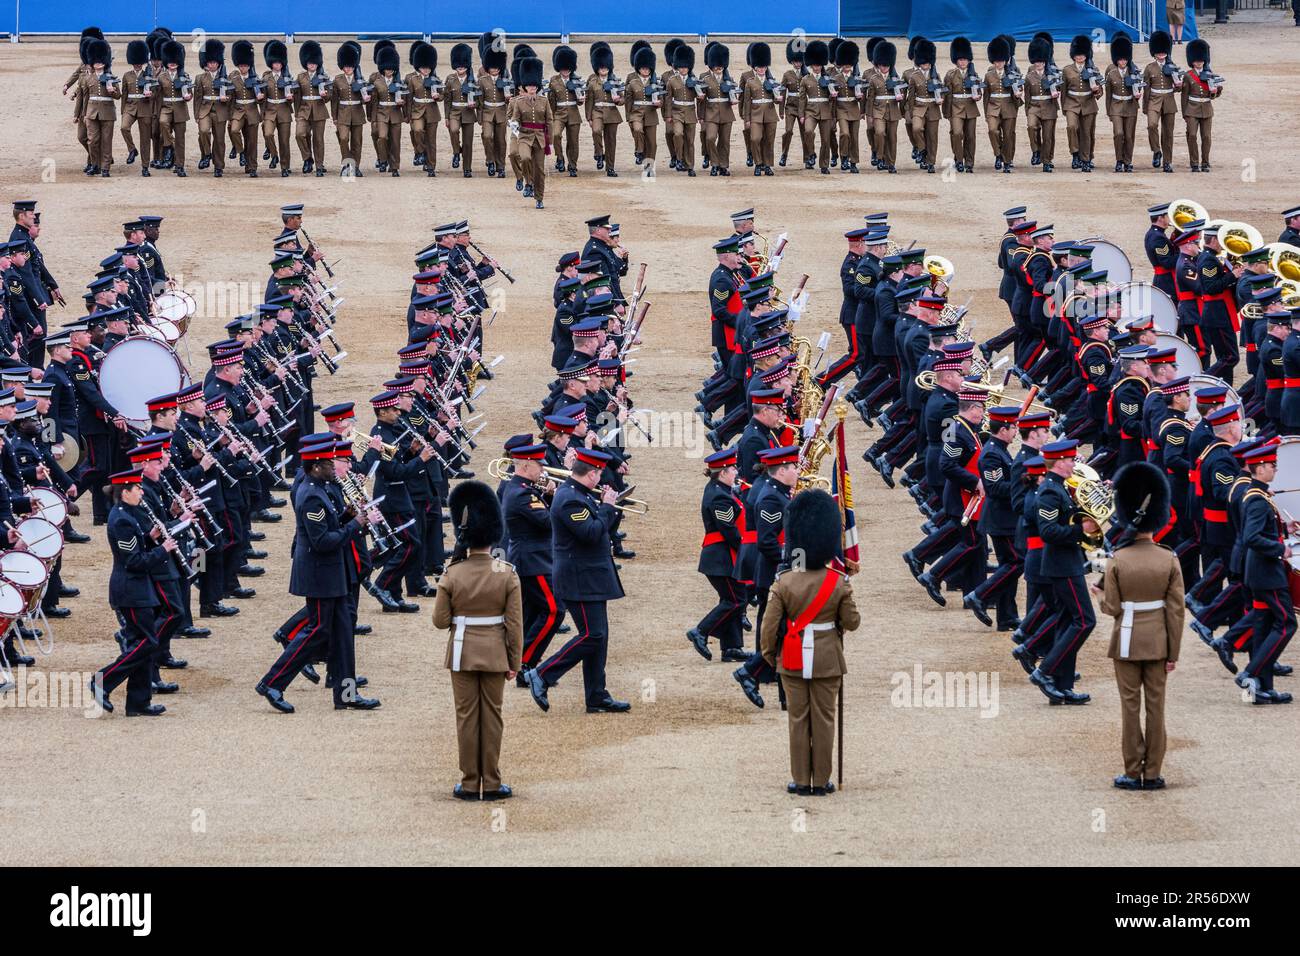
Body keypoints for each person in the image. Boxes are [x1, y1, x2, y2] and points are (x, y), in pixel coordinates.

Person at [760, 489, 860, 797]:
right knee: (825, 719)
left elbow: (769, 626)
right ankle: (823, 781)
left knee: (798, 719)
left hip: (791, 657)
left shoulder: (784, 581)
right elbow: (852, 623)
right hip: (828, 657)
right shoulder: (837, 582)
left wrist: (769, 656)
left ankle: (801, 780)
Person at [433, 480, 523, 801]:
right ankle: (493, 782)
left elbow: (440, 621)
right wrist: (515, 662)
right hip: (497, 654)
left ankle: (470, 783)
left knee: (466, 718)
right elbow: (514, 625)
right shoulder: (506, 572)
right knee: (493, 717)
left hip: (462, 653)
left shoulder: (453, 573)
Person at [1096, 461, 1182, 791]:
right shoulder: (1169, 558)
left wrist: (1100, 598)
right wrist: (1173, 652)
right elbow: (1176, 612)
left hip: (1127, 641)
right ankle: (1154, 773)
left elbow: (1113, 607)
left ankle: (1132, 772)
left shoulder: (1118, 559)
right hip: (1159, 642)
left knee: (1130, 709)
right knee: (1156, 709)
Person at [524, 447, 629, 713]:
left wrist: (609, 509)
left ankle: (597, 695)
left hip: (591, 576)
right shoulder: (570, 499)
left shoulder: (579, 494)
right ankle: (542, 674)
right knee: (592, 635)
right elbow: (591, 533)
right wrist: (607, 507)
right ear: (592, 474)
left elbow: (600, 530)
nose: (602, 480)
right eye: (599, 474)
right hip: (579, 578)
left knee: (599, 637)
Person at [88, 468, 174, 717]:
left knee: (141, 644)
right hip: (130, 589)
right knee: (148, 642)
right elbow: (133, 561)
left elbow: (136, 547)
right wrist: (163, 550)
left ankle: (139, 701)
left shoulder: (128, 514)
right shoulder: (122, 519)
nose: (141, 491)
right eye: (137, 489)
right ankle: (103, 680)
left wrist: (150, 538)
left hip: (136, 588)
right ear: (125, 492)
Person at [1235, 443, 1296, 704]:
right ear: (1259, 468)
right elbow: (1252, 537)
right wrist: (1280, 548)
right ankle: (1250, 673)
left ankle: (1260, 689)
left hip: (1258, 571)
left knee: (1263, 628)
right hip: (1266, 573)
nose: (1275, 469)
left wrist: (1284, 528)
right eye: (1272, 465)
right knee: (1286, 624)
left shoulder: (1256, 494)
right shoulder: (1257, 499)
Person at [507, 56, 552, 208]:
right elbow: (514, 119)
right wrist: (516, 129)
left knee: (539, 169)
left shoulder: (544, 101)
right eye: (529, 86)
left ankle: (539, 198)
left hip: (539, 138)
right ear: (525, 87)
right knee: (525, 158)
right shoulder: (518, 102)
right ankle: (528, 183)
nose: (532, 88)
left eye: (534, 86)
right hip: (524, 136)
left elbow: (549, 121)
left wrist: (549, 141)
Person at [1061, 35, 1101, 172]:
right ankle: (1075, 153)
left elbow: (1100, 93)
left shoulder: (1093, 70)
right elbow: (1064, 91)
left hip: (1088, 104)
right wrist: (1064, 108)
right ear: (1073, 55)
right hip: (1071, 104)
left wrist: (1096, 90)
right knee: (1071, 127)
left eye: (1082, 54)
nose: (1080, 57)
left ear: (1086, 55)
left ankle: (1086, 159)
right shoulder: (1067, 70)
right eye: (1077, 54)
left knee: (1087, 133)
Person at [1181, 38, 1221, 173]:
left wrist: (1215, 92)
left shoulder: (1210, 74)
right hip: (1192, 109)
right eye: (1196, 60)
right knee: (1192, 135)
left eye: (1201, 60)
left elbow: (1213, 95)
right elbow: (1184, 96)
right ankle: (1194, 162)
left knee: (1206, 137)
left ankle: (1205, 162)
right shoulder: (1188, 75)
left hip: (1206, 109)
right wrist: (1184, 113)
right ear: (1192, 61)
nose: (1199, 63)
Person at [1142, 31, 1180, 173]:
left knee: (1168, 133)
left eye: (1164, 51)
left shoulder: (1173, 66)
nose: (1161, 54)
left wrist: (1178, 87)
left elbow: (1177, 88)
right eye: (1158, 52)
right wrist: (1145, 107)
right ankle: (1156, 150)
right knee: (1152, 125)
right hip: (1153, 100)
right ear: (1154, 52)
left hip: (1169, 101)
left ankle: (1167, 162)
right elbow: (1146, 89)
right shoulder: (1149, 68)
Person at [1105, 33, 1139, 173]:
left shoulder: (1134, 71)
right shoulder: (1111, 73)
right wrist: (1109, 112)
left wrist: (1138, 95)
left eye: (1125, 59)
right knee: (1119, 133)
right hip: (1116, 107)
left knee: (1129, 136)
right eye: (1120, 59)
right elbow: (1108, 95)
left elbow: (1140, 87)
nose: (1123, 62)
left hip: (1131, 106)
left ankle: (1128, 161)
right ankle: (1119, 160)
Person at [1024, 34, 1059, 172]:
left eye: (1040, 61)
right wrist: (1027, 110)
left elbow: (1060, 87)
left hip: (1049, 107)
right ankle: (1036, 150)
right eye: (1036, 61)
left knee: (1048, 135)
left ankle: (1047, 161)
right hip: (1034, 105)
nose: (1037, 63)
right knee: (1031, 126)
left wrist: (1057, 93)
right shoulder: (1029, 74)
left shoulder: (1053, 73)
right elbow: (1027, 93)